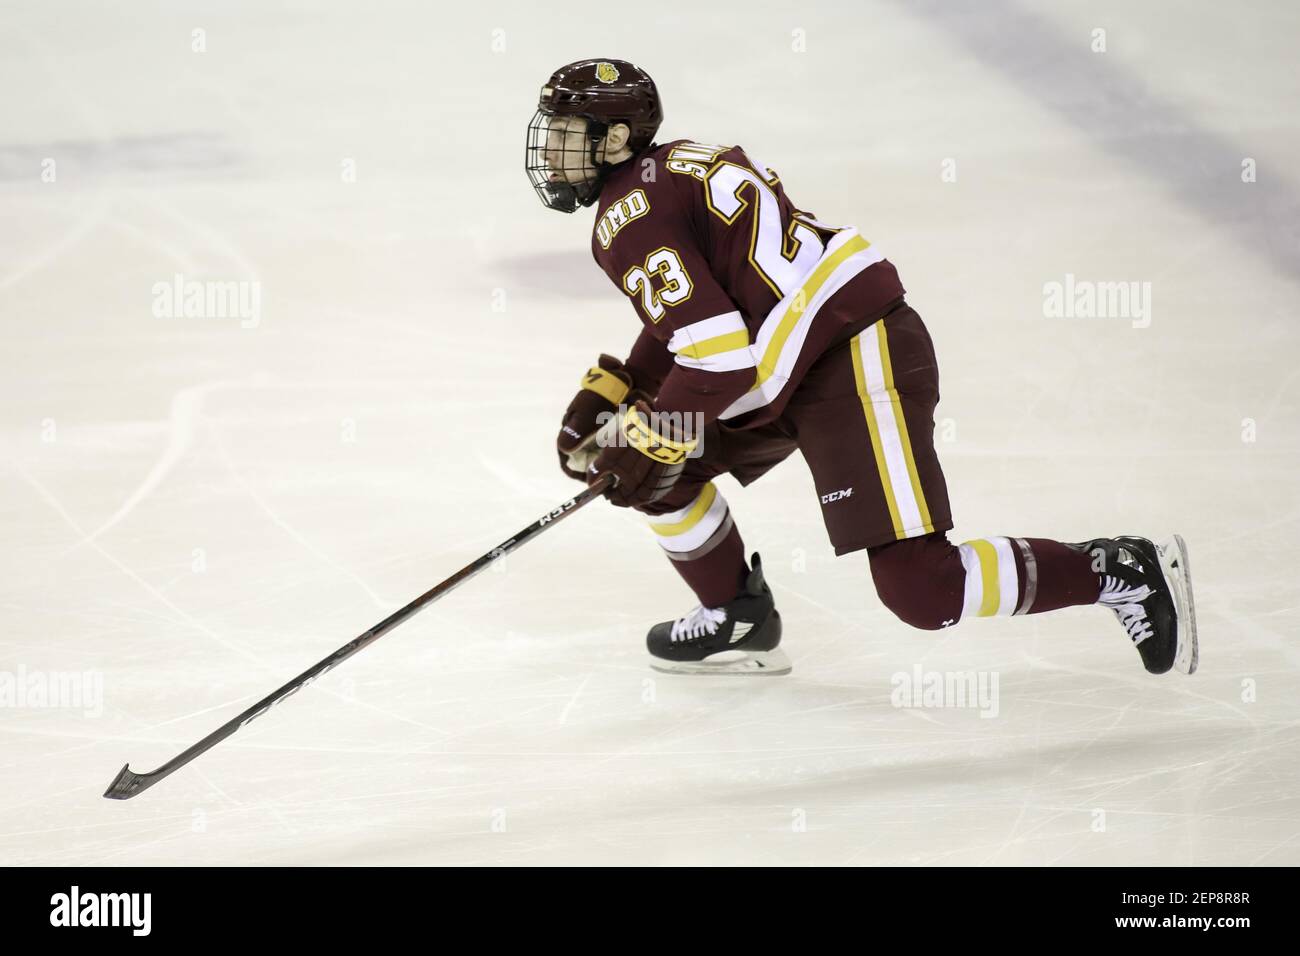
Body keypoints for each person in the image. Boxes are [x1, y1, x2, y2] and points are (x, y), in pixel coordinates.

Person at [526, 58, 1197, 677]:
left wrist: (652, 431)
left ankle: (1119, 570)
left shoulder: (626, 215)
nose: (551, 151)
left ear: (615, 141)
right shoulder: (671, 169)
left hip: (851, 357)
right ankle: (738, 615)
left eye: (566, 133)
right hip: (794, 359)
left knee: (922, 589)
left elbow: (718, 354)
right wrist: (627, 385)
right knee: (657, 476)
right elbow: (708, 310)